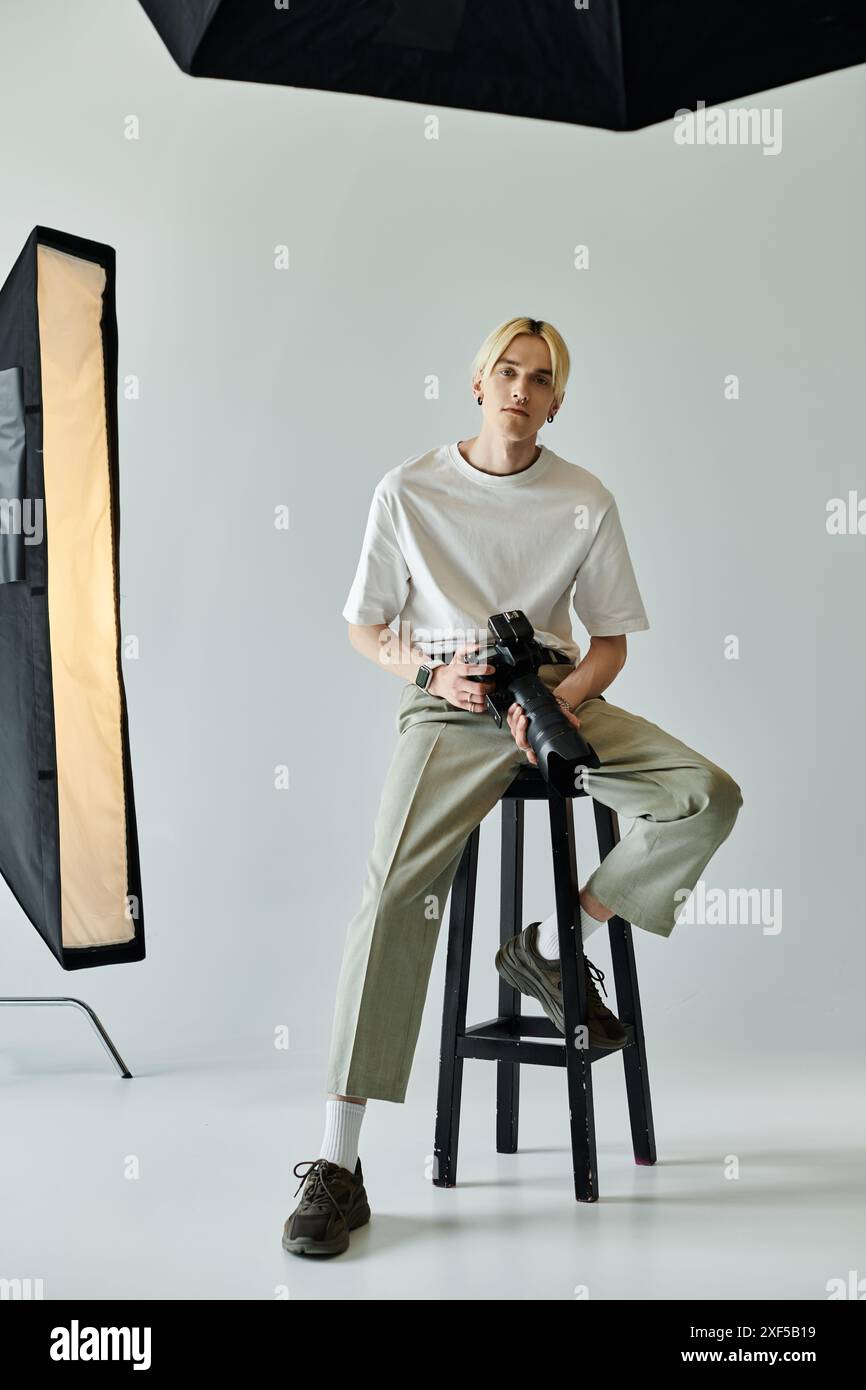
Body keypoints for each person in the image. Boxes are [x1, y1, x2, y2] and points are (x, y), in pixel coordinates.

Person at [282, 315, 743, 1258]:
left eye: (541, 379)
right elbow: (368, 626)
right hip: (451, 705)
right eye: (507, 372)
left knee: (706, 792)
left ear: (558, 400)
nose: (521, 391)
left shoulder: (585, 497)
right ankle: (337, 1161)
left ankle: (555, 943)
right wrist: (431, 678)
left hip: (555, 692)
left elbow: (611, 640)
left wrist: (557, 704)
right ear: (477, 384)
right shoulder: (409, 488)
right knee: (392, 896)